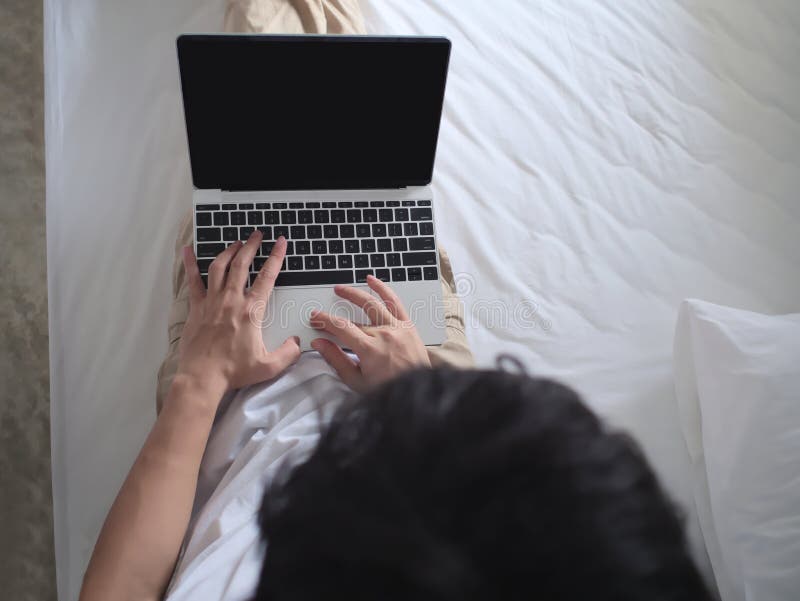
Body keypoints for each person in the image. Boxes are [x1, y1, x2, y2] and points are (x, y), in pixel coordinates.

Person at [79, 2, 709, 599]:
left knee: (262, 103)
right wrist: (421, 399)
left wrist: (201, 377)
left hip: (224, 398)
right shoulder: (587, 554)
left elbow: (123, 589)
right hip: (419, 394)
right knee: (363, 148)